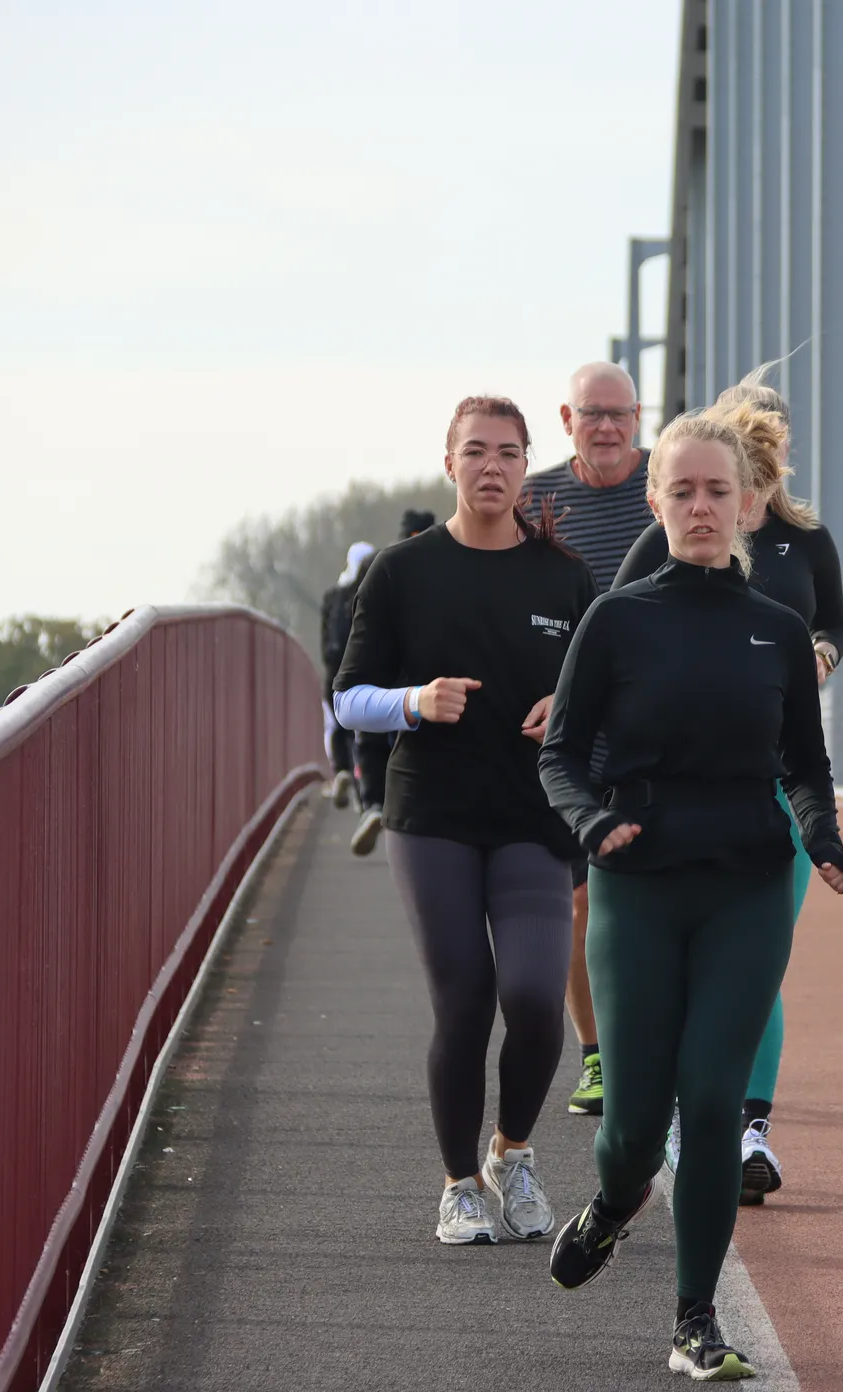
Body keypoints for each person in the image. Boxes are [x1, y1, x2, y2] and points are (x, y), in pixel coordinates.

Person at [539, 412, 843, 1381]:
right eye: (683, 491)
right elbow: (561, 755)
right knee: (635, 1129)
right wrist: (593, 823)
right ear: (657, 501)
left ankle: (695, 1320)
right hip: (637, 885)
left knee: (713, 1103)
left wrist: (822, 835)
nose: (703, 507)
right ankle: (613, 1202)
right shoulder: (617, 619)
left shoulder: (779, 630)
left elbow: (805, 763)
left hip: (745, 887)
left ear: (749, 504)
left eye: (719, 491)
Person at [333, 397, 595, 1246]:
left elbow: (601, 694)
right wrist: (415, 701)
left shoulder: (564, 577)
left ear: (526, 466)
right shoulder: (402, 571)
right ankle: (458, 1186)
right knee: (466, 999)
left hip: (532, 812)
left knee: (535, 998)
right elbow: (347, 699)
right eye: (476, 451)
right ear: (450, 464)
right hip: (433, 814)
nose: (493, 466)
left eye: (509, 453)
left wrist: (567, 707)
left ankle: (512, 1153)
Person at [614, 367, 843, 1204]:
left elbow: (836, 618)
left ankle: (749, 1130)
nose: (758, 466)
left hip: (775, 780)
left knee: (759, 959)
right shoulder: (678, 533)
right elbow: (620, 619)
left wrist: (822, 652)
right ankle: (684, 1110)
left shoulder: (806, 540)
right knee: (684, 964)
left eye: (768, 452)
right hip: (679, 788)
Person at [524, 362, 656, 1118]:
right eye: (592, 413)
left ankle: (660, 1048)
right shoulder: (535, 501)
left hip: (658, 732)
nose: (607, 427)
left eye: (620, 413)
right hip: (575, 733)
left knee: (655, 900)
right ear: (566, 419)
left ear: (638, 416)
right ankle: (598, 1056)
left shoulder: (671, 484)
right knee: (578, 901)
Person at [349, 508, 437, 857]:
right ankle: (402, 806)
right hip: (422, 679)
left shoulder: (383, 565)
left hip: (381, 673)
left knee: (371, 734)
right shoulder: (442, 565)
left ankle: (374, 803)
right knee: (411, 741)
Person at [320, 540, 375, 808]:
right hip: (363, 669)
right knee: (364, 731)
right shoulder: (369, 591)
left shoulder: (332, 596)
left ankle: (341, 770)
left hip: (334, 673)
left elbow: (324, 642)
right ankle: (364, 788)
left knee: (335, 726)